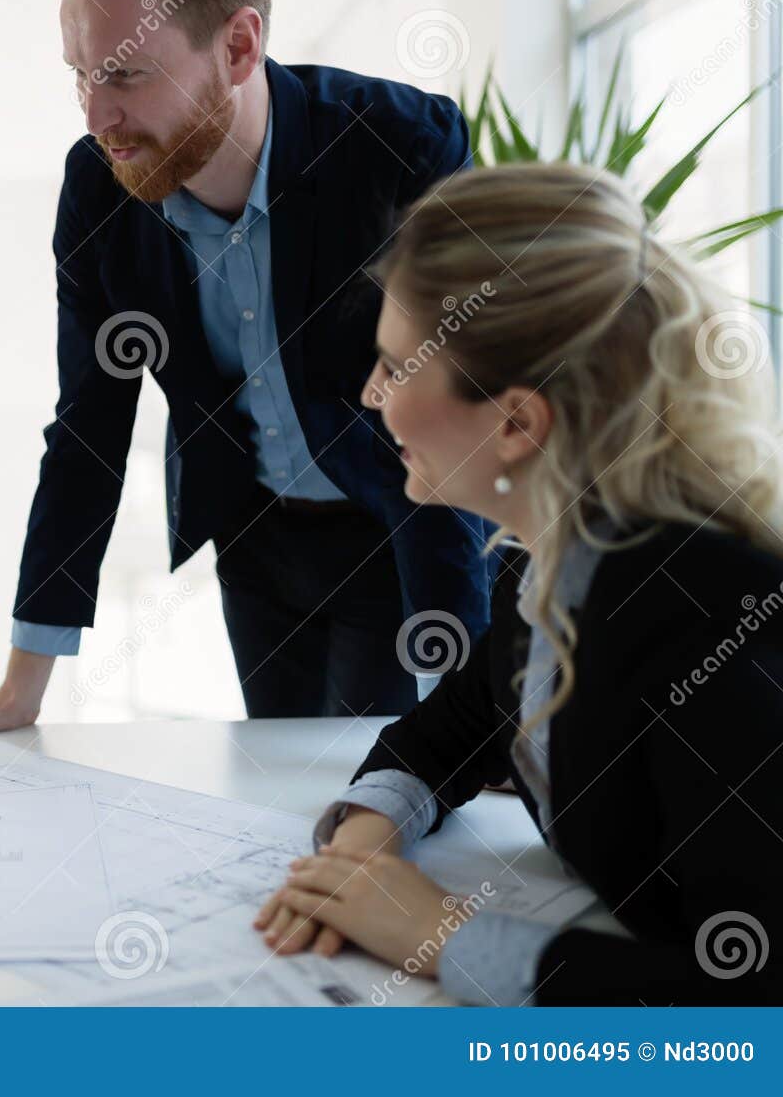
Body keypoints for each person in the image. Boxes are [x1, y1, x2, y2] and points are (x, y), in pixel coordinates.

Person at [0, 0, 489, 730]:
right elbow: (88, 426)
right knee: (279, 796)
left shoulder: (398, 145)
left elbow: (457, 414)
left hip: (396, 532)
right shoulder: (97, 188)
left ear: (238, 46)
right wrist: (24, 686)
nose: (94, 114)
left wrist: (466, 704)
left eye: (124, 74)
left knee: (383, 783)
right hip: (252, 539)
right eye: (79, 73)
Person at [254, 162, 783, 1005]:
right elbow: (458, 725)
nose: (369, 394)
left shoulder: (709, 629)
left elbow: (750, 997)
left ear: (515, 422)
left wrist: (442, 933)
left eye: (395, 367)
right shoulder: (557, 561)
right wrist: (363, 846)